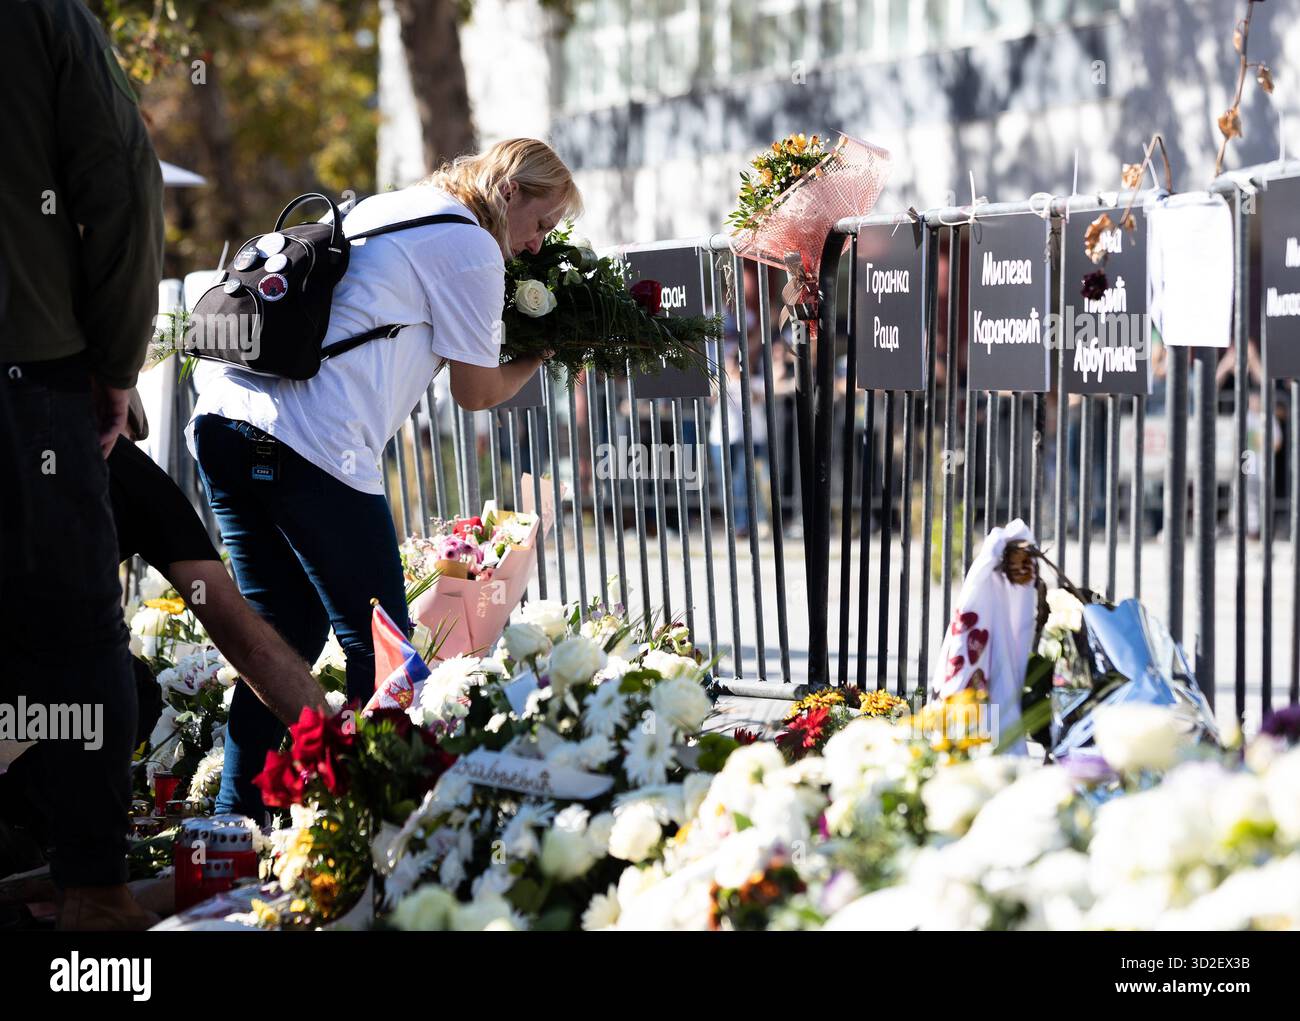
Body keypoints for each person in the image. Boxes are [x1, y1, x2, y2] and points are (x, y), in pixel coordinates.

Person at [189, 138, 582, 817]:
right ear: (511, 190)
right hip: (309, 440)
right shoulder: (471, 247)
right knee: (384, 645)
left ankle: (234, 827)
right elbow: (477, 391)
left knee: (280, 633)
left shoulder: (398, 205)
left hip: (225, 416)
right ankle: (383, 825)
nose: (538, 246)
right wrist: (544, 352)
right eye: (543, 224)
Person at [0, 0, 165, 930]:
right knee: (74, 636)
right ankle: (92, 894)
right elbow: (121, 181)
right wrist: (111, 361)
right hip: (31, 375)